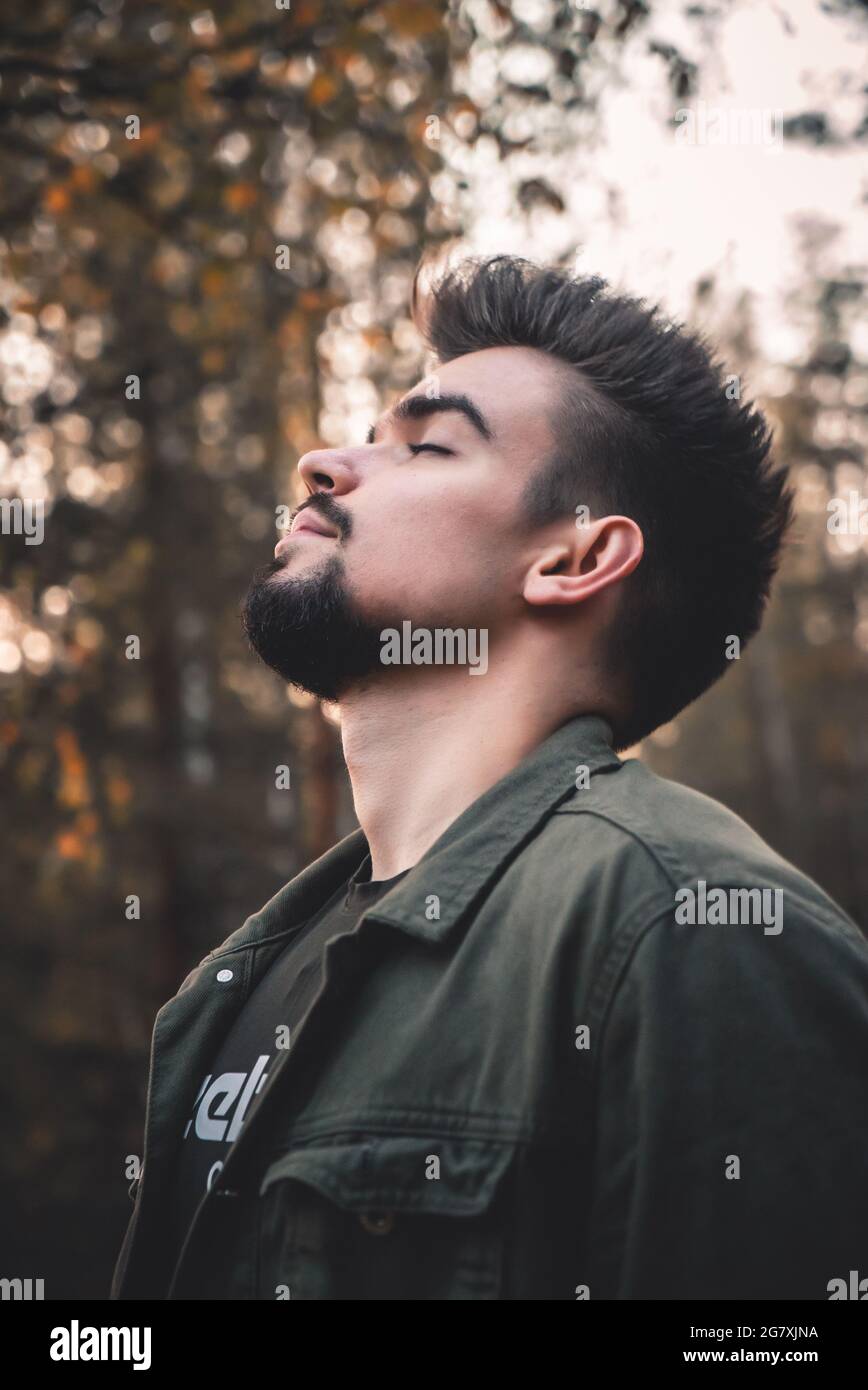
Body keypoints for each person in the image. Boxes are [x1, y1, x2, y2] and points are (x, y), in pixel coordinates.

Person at [111, 254, 868, 1301]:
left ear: (572, 561)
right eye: (370, 436)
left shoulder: (691, 930)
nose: (321, 462)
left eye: (425, 446)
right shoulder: (242, 982)